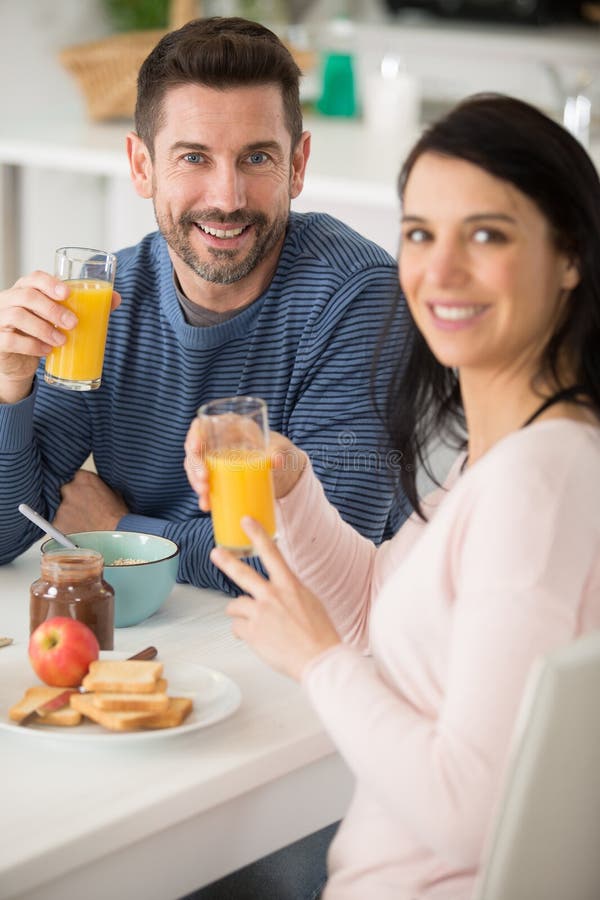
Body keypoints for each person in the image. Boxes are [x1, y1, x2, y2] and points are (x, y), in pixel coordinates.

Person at [185, 93, 600, 898]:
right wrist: (295, 487)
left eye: (486, 234)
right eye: (419, 234)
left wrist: (317, 663)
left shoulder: (535, 483)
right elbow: (382, 609)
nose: (439, 271)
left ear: (571, 255)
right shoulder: (512, 456)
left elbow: (473, 814)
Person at [0, 17, 409, 590]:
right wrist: (9, 387)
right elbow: (12, 530)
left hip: (332, 644)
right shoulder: (109, 305)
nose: (226, 198)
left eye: (257, 158)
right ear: (143, 167)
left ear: (297, 165)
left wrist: (123, 530)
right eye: (193, 158)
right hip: (170, 625)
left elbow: (331, 557)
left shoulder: (360, 298)